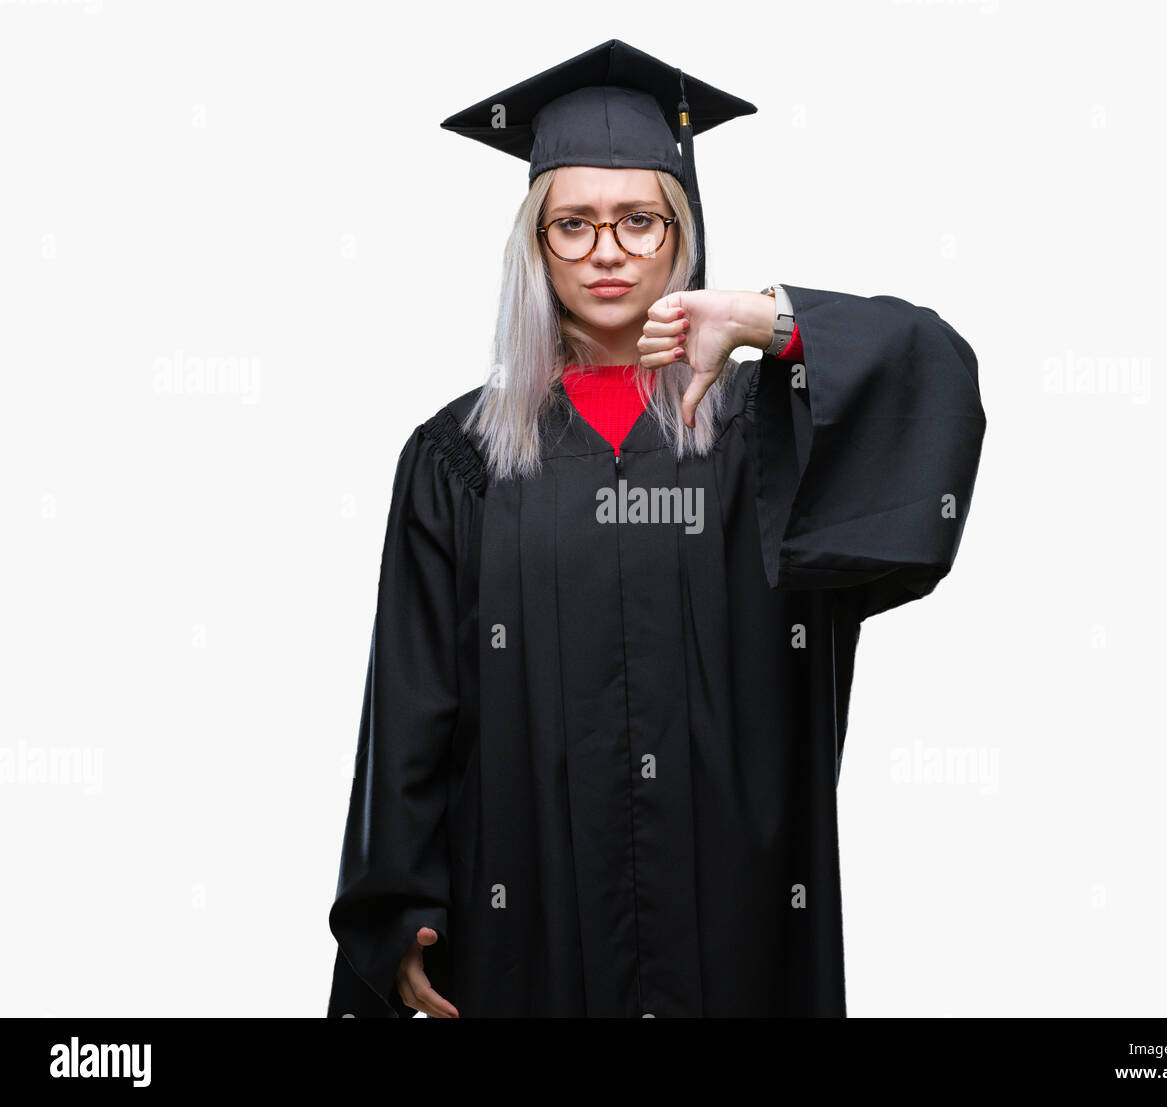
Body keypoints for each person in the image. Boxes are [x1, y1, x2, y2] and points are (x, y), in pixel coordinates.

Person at [326, 39, 986, 1018]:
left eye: (640, 221)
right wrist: (399, 906)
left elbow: (932, 372)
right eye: (573, 224)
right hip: (521, 913)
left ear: (684, 234)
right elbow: (411, 702)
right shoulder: (459, 457)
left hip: (739, 914)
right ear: (533, 244)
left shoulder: (765, 436)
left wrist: (763, 318)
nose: (605, 250)